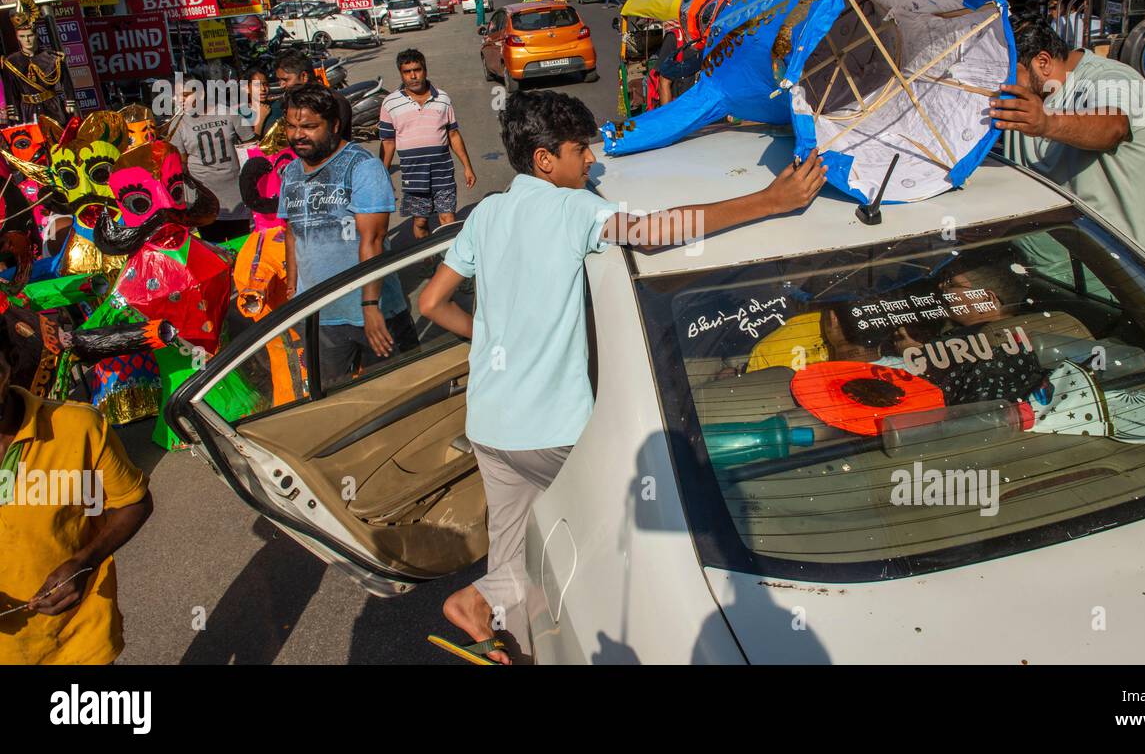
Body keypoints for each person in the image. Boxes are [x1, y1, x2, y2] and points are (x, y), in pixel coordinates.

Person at [418, 89, 826, 663]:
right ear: (544, 159)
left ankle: (502, 634)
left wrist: (491, 339)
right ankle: (486, 601)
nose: (590, 161)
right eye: (579, 149)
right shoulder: (575, 209)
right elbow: (661, 229)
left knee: (515, 549)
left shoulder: (487, 212)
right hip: (552, 427)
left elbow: (432, 301)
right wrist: (768, 200)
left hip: (489, 421)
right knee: (609, 535)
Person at [0, 330, 153, 664]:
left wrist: (86, 561)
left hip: (77, 644)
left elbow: (133, 501)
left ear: (11, 361)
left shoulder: (78, 427)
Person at [995, 14, 1145, 264]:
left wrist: (1046, 123)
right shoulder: (1020, 95)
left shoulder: (1115, 80)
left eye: (1008, 75)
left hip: (1120, 275)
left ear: (1043, 62)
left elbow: (1112, 128)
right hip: (1044, 270)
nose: (1002, 84)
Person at [280, 84, 418, 384]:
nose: (297, 135)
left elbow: (374, 240)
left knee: (401, 391)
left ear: (335, 125)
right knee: (336, 405)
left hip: (374, 313)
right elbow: (293, 233)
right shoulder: (290, 173)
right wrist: (293, 291)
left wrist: (369, 307)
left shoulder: (362, 166)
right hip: (320, 317)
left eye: (309, 127)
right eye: (291, 126)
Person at [379, 49, 475, 238]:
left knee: (448, 220)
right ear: (401, 73)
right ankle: (428, 263)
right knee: (421, 222)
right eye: (407, 72)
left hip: (443, 172)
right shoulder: (390, 103)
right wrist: (382, 177)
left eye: (417, 70)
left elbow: (453, 135)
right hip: (414, 175)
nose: (413, 76)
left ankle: (450, 261)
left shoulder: (443, 98)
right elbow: (388, 143)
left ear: (425, 70)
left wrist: (467, 167)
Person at [172, 82, 254, 243]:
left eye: (185, 95)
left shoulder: (230, 113)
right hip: (205, 201)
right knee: (216, 253)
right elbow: (181, 164)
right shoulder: (178, 123)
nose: (180, 100)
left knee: (242, 248)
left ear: (201, 94)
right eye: (177, 96)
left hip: (236, 197)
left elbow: (251, 146)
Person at [274, 50, 353, 141]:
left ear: (304, 76)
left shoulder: (335, 102)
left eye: (285, 80)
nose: (281, 85)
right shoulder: (291, 100)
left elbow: (327, 144)